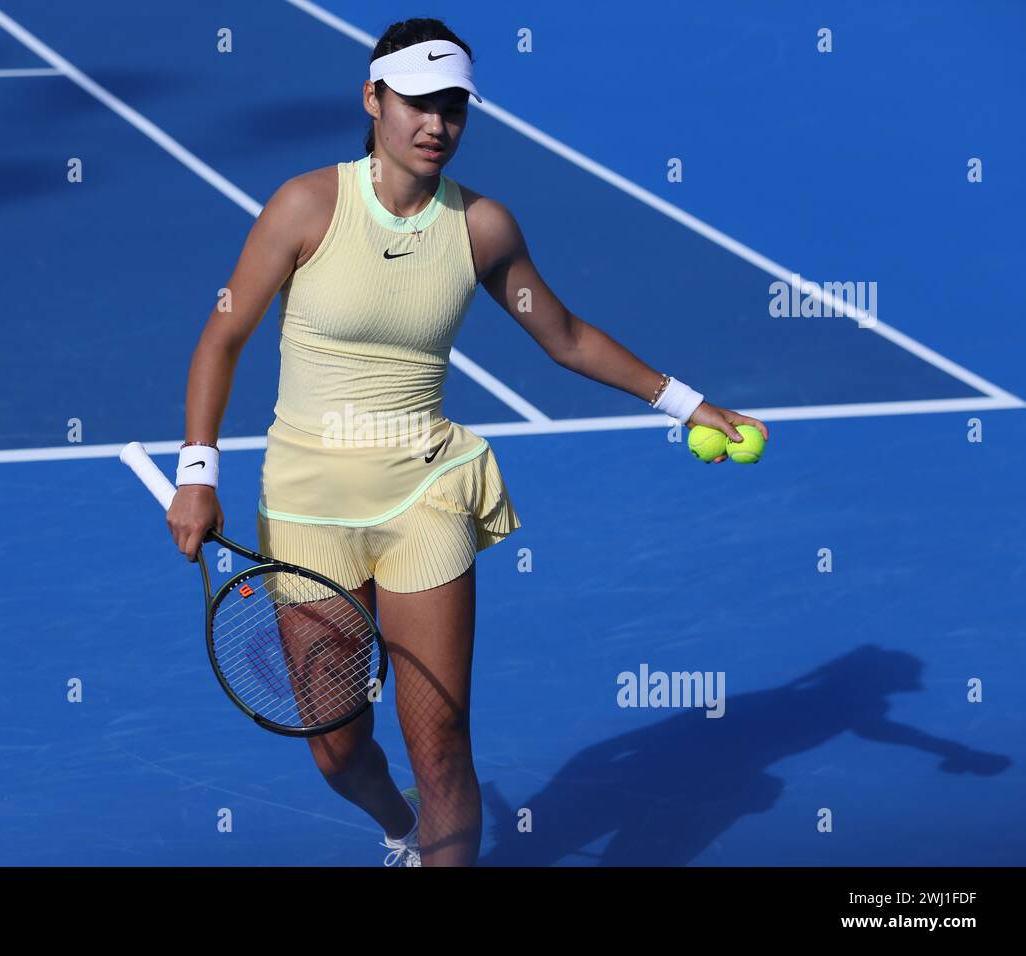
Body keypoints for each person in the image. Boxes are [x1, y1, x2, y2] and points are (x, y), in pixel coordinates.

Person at [164, 18, 769, 867]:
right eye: (418, 103)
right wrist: (197, 473)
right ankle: (402, 828)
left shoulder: (481, 226)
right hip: (307, 502)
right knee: (336, 746)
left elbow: (562, 336)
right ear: (373, 99)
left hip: (427, 491)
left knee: (440, 736)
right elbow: (220, 338)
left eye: (453, 108)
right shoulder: (306, 206)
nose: (436, 125)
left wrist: (688, 404)